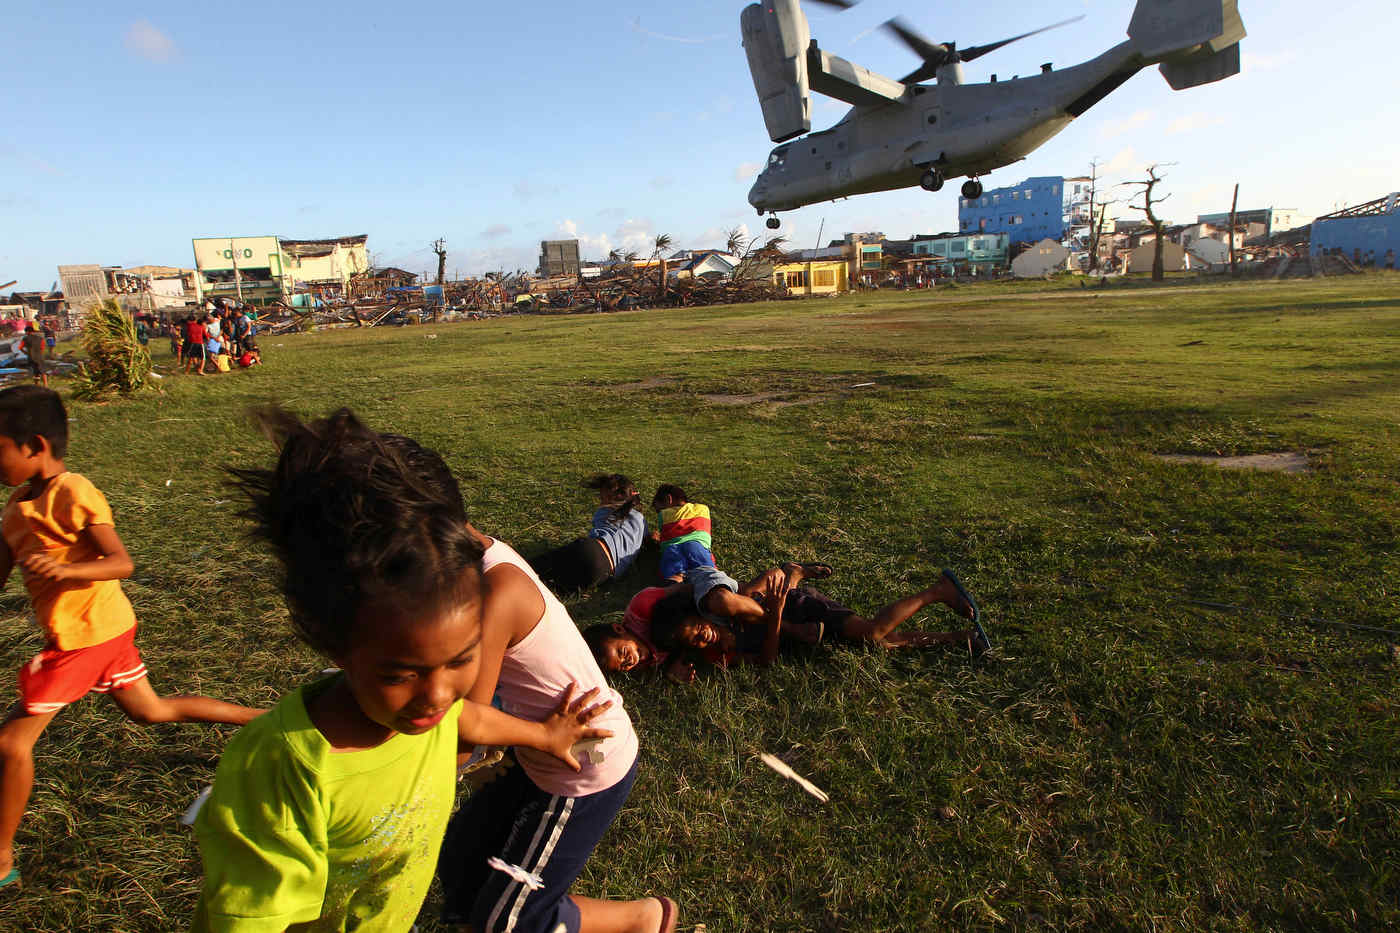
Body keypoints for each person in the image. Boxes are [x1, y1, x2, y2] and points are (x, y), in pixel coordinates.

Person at [194, 409, 615, 932]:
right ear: (332, 643)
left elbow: (469, 720)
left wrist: (543, 734)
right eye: (400, 674)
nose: (437, 695)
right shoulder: (284, 769)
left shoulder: (422, 710)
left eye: (462, 660)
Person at [0, 386, 264, 891]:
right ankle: (265, 720)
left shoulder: (72, 492)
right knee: (152, 710)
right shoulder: (15, 508)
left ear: (33, 445)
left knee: (11, 743)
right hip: (99, 632)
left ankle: (0, 857)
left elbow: (121, 562)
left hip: (86, 639)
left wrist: (63, 568)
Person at [439, 486, 676, 930]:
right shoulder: (480, 556)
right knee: (461, 858)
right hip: (539, 751)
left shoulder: (493, 591)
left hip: (580, 764)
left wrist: (430, 789)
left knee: (509, 922)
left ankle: (642, 918)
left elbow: (467, 727)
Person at [594, 565, 989, 682]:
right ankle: (959, 638)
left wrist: (781, 612)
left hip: (799, 608)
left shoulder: (657, 608)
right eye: (695, 641)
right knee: (881, 645)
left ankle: (938, 591)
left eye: (697, 629)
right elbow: (764, 662)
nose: (701, 636)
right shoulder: (711, 652)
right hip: (783, 613)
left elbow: (692, 589)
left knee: (871, 633)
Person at [530, 474, 648, 595]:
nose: (601, 502)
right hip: (603, 573)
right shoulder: (642, 521)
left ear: (616, 497)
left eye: (603, 498)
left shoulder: (605, 511)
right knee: (548, 588)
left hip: (591, 549)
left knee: (530, 569)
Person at [652, 484, 714, 581]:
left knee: (674, 576)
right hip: (697, 545)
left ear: (669, 499)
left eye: (659, 509)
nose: (659, 512)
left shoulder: (663, 515)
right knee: (708, 575)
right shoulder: (704, 509)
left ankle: (677, 586)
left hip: (672, 548)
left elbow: (666, 538)